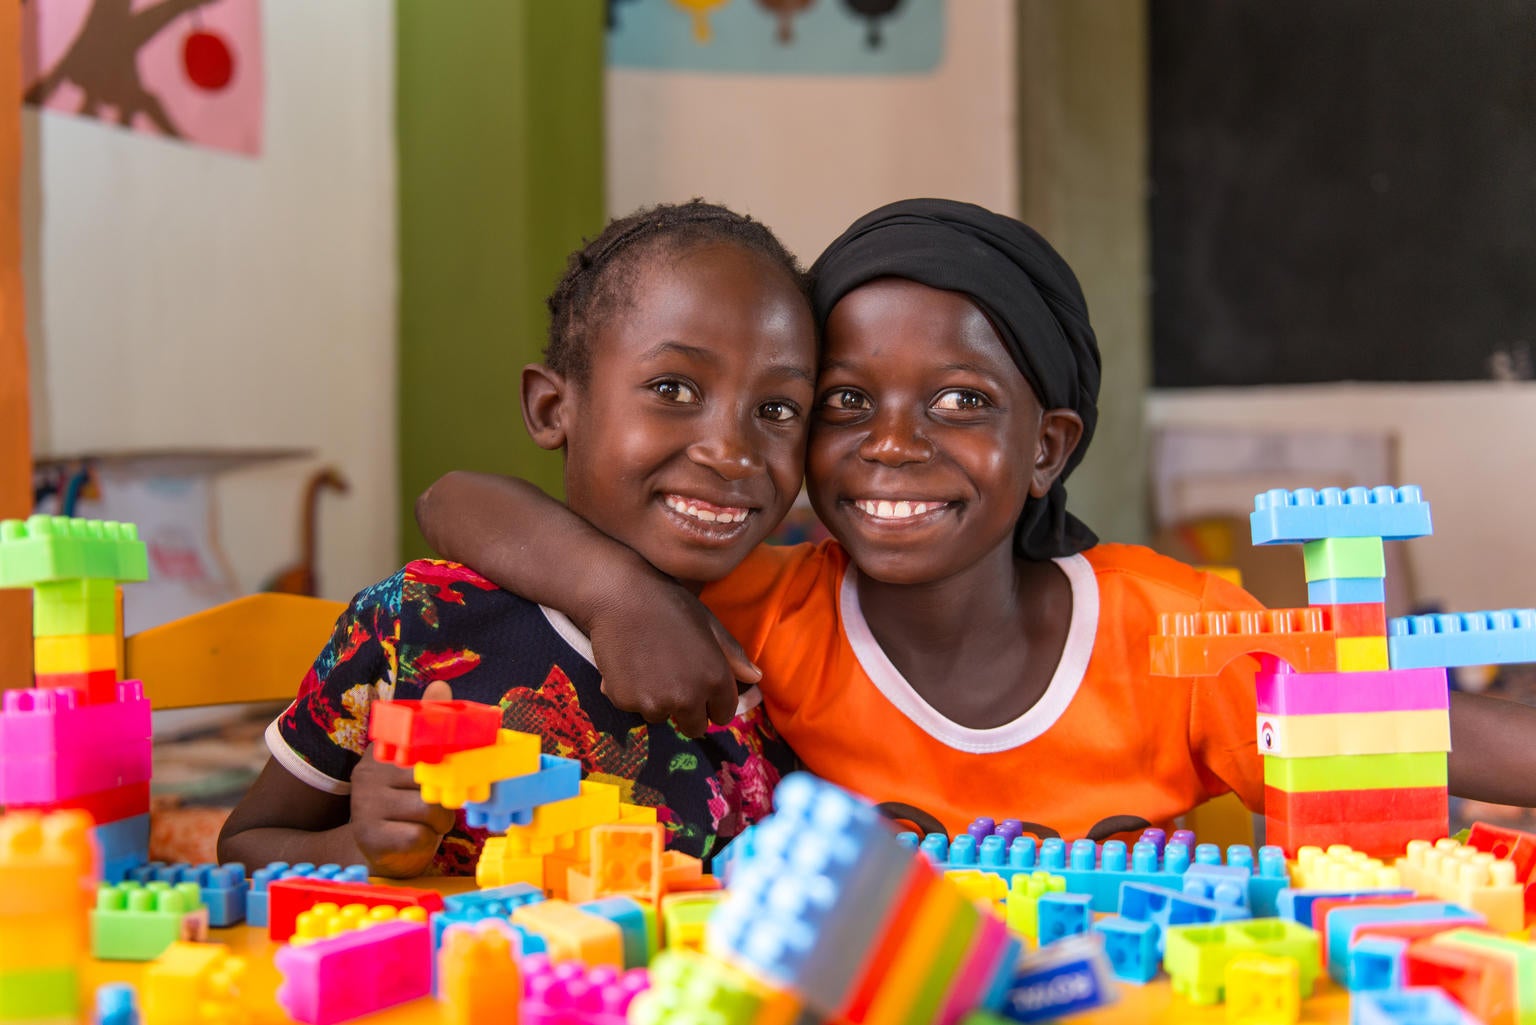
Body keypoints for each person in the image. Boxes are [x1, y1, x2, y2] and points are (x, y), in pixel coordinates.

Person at [416, 198, 1536, 843]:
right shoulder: (766, 605)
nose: (895, 443)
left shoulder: (1164, 631)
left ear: (1047, 446)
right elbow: (460, 500)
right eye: (845, 403)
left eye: (962, 402)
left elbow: (1426, 726)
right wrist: (618, 593)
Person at [218, 200, 817, 876]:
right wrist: (365, 845)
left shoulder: (785, 655)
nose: (731, 451)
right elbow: (243, 847)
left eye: (777, 409)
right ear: (551, 408)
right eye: (673, 388)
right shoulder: (418, 624)